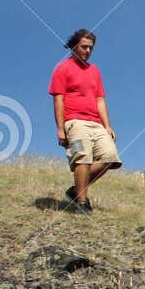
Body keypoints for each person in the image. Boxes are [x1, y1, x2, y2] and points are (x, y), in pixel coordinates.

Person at [50, 28, 120, 211]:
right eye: (84, 47)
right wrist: (60, 128)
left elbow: (100, 100)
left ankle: (76, 190)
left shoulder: (94, 71)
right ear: (74, 46)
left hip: (96, 123)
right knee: (82, 158)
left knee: (110, 157)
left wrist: (107, 125)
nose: (88, 51)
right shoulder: (62, 68)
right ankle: (81, 203)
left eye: (91, 48)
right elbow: (58, 100)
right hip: (74, 122)